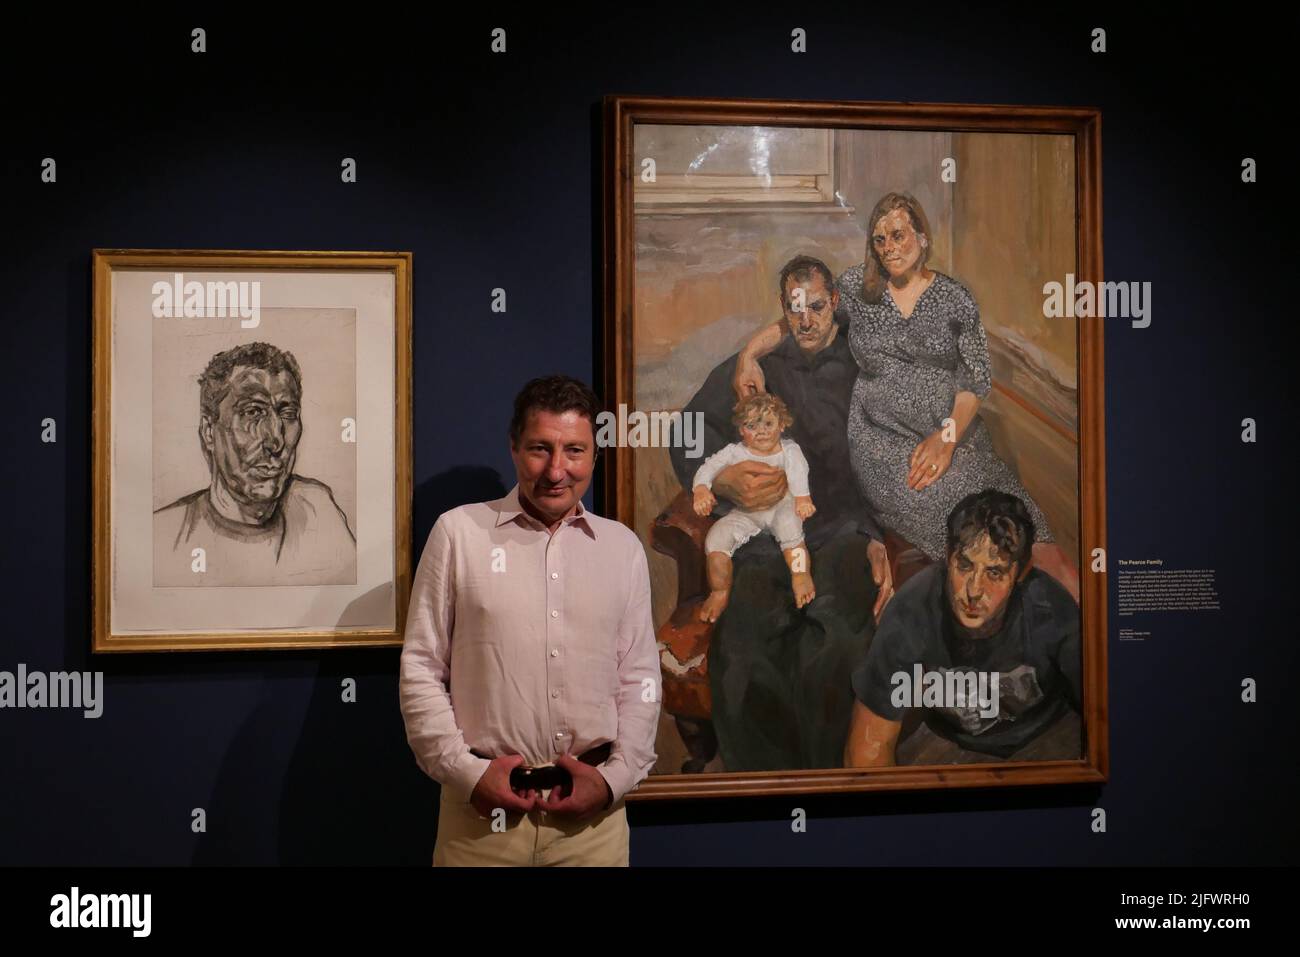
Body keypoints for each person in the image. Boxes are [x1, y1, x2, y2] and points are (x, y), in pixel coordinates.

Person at [734, 194, 1077, 598]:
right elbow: (798, 317)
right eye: (879, 240)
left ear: (922, 237)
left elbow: (975, 380)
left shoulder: (955, 298)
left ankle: (1081, 632)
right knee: (973, 531)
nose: (889, 248)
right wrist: (748, 355)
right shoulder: (859, 289)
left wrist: (946, 440)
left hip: (952, 435)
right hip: (882, 442)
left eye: (897, 235)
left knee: (1027, 528)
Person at [399, 375, 660, 866]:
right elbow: (421, 667)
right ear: (514, 448)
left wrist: (612, 780)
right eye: (541, 448)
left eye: (575, 451)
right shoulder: (458, 534)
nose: (557, 470)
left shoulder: (621, 548)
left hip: (593, 828)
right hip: (479, 822)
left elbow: (640, 678)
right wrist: (466, 774)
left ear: (595, 455)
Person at [669, 255, 893, 773]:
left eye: (817, 306)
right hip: (765, 535)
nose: (808, 321)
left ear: (835, 302)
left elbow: (893, 459)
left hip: (841, 531)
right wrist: (721, 481)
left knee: (837, 643)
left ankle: (825, 782)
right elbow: (685, 431)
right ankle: (763, 786)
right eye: (796, 311)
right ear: (782, 313)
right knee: (745, 644)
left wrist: (878, 534)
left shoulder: (866, 360)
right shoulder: (758, 368)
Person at [844, 490, 1082, 766]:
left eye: (994, 572)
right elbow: (868, 745)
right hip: (951, 743)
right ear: (947, 556)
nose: (974, 590)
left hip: (1047, 736)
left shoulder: (1052, 609)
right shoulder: (912, 610)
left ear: (1021, 572)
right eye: (965, 565)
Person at [153, 341, 356, 587]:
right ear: (209, 431)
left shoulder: (317, 509)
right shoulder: (163, 535)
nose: (276, 439)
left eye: (287, 414)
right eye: (252, 412)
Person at [692, 392, 816, 620]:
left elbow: (799, 472)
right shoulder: (734, 452)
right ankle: (719, 591)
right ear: (741, 429)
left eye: (768, 423)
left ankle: (800, 574)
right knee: (716, 539)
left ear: (781, 425)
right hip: (747, 512)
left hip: (782, 507)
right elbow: (708, 467)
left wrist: (802, 497)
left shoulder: (789, 450)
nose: (761, 431)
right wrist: (701, 489)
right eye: (751, 425)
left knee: (792, 532)